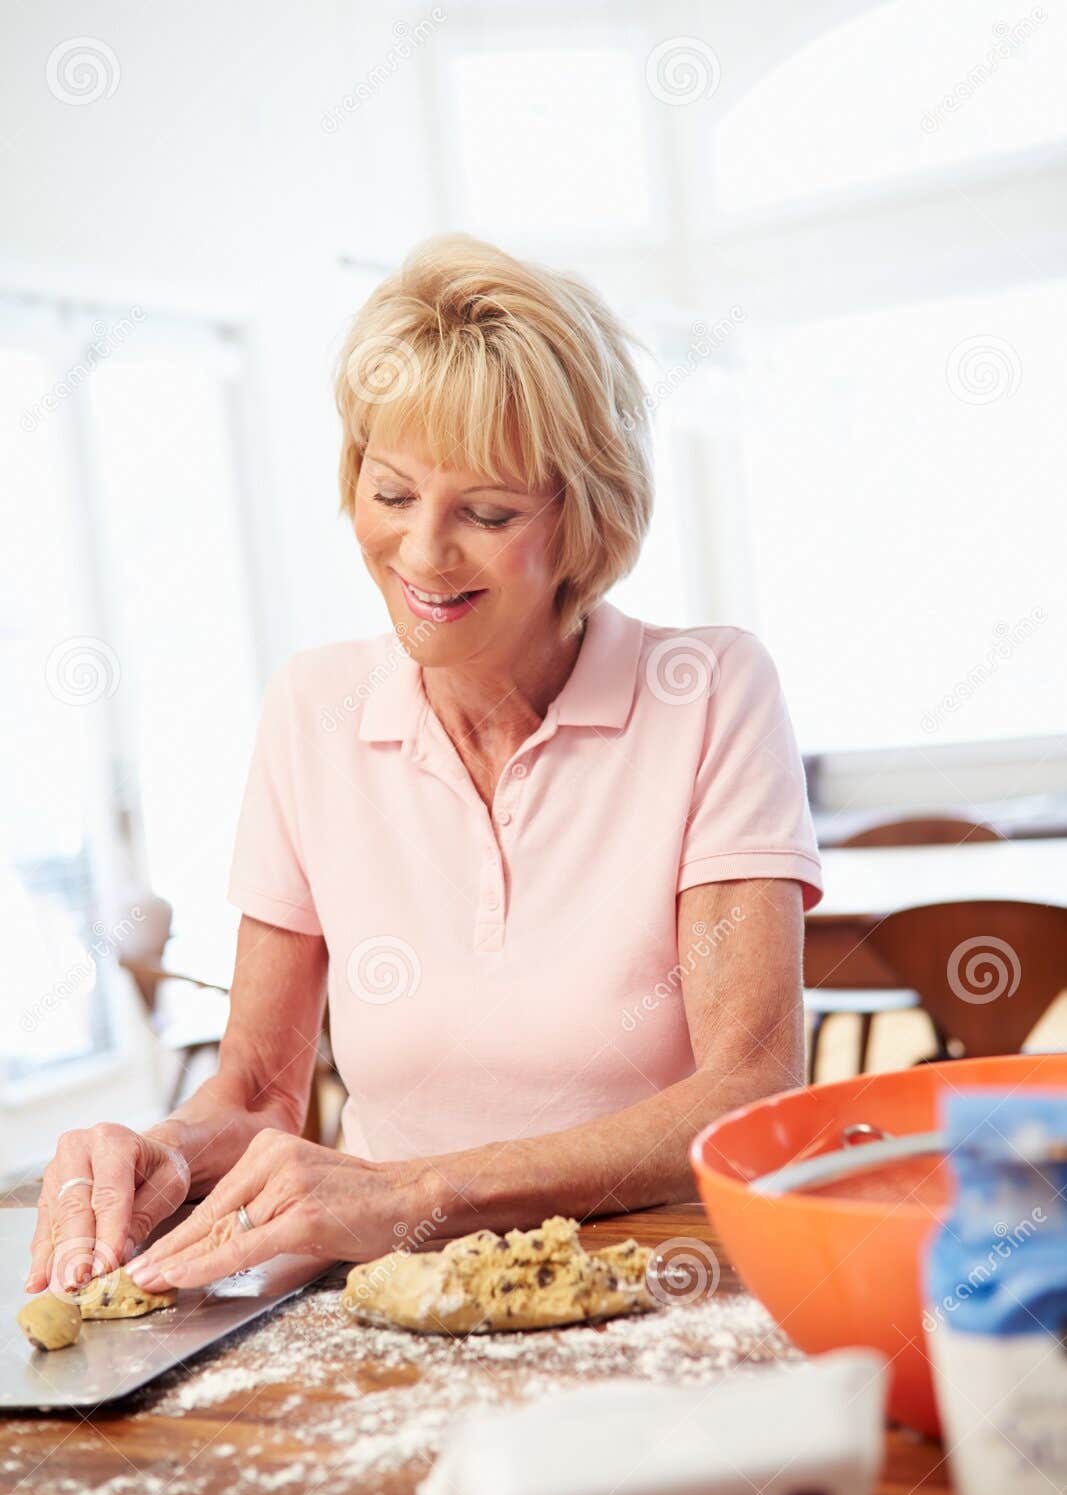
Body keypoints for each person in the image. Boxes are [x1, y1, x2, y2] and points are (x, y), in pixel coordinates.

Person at [27, 234, 821, 1297]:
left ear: (583, 519)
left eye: (486, 513)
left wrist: (409, 1195)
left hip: (654, 1283)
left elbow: (744, 1089)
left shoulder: (709, 691)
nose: (423, 555)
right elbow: (260, 1089)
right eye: (392, 494)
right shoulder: (316, 708)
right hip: (385, 1302)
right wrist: (162, 1154)